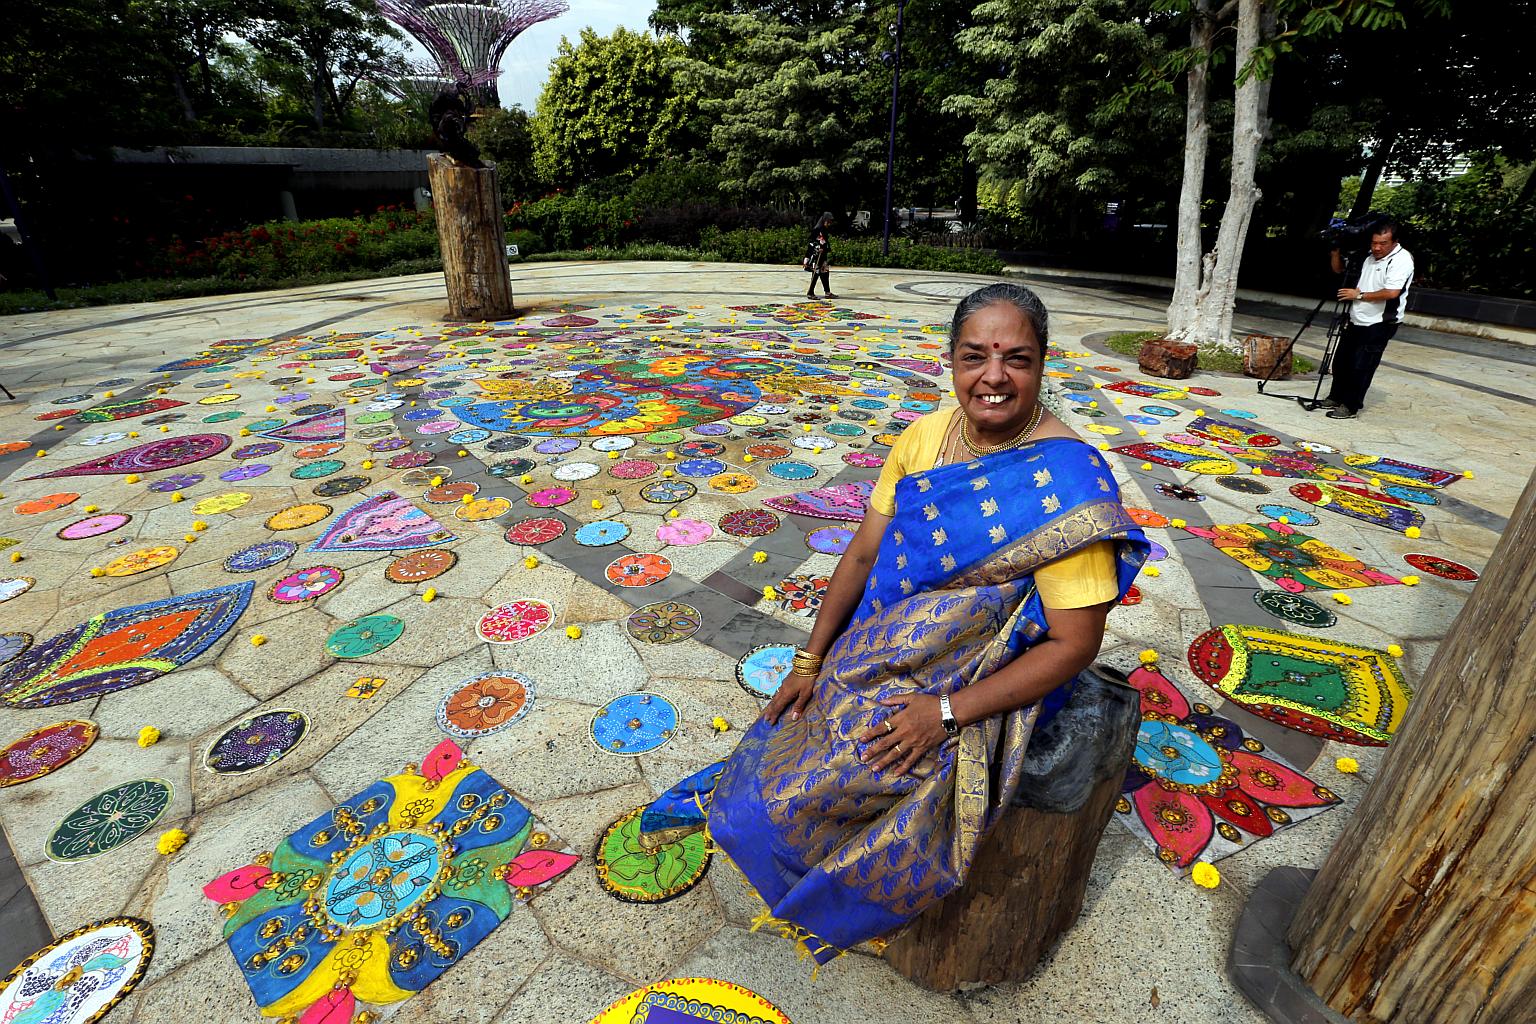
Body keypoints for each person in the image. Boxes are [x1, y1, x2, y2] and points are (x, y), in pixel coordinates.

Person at [689, 282, 1149, 962]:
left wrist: (947, 712)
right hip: (889, 640)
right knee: (781, 752)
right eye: (975, 357)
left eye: (1016, 359)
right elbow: (867, 550)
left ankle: (858, 908)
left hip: (981, 671)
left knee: (860, 773)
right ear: (952, 361)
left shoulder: (1069, 485)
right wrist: (811, 659)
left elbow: (1074, 643)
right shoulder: (925, 437)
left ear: (1043, 364)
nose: (993, 377)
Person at [1324, 219, 1414, 419]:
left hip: (1381, 322)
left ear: (1395, 242)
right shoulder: (1368, 256)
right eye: (1374, 243)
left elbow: (1392, 292)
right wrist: (1335, 251)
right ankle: (1336, 396)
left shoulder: (1401, 260)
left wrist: (1359, 295)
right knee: (1342, 361)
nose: (1377, 248)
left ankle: (1351, 405)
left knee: (1362, 365)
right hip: (1357, 318)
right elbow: (1339, 270)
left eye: (1382, 244)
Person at [803, 212, 837, 299]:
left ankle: (827, 292)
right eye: (828, 222)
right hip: (816, 256)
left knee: (825, 273)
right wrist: (818, 247)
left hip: (823, 256)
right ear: (824, 220)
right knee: (815, 274)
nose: (829, 224)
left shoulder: (825, 230)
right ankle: (810, 293)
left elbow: (825, 241)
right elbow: (812, 242)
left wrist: (825, 248)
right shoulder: (817, 229)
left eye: (830, 222)